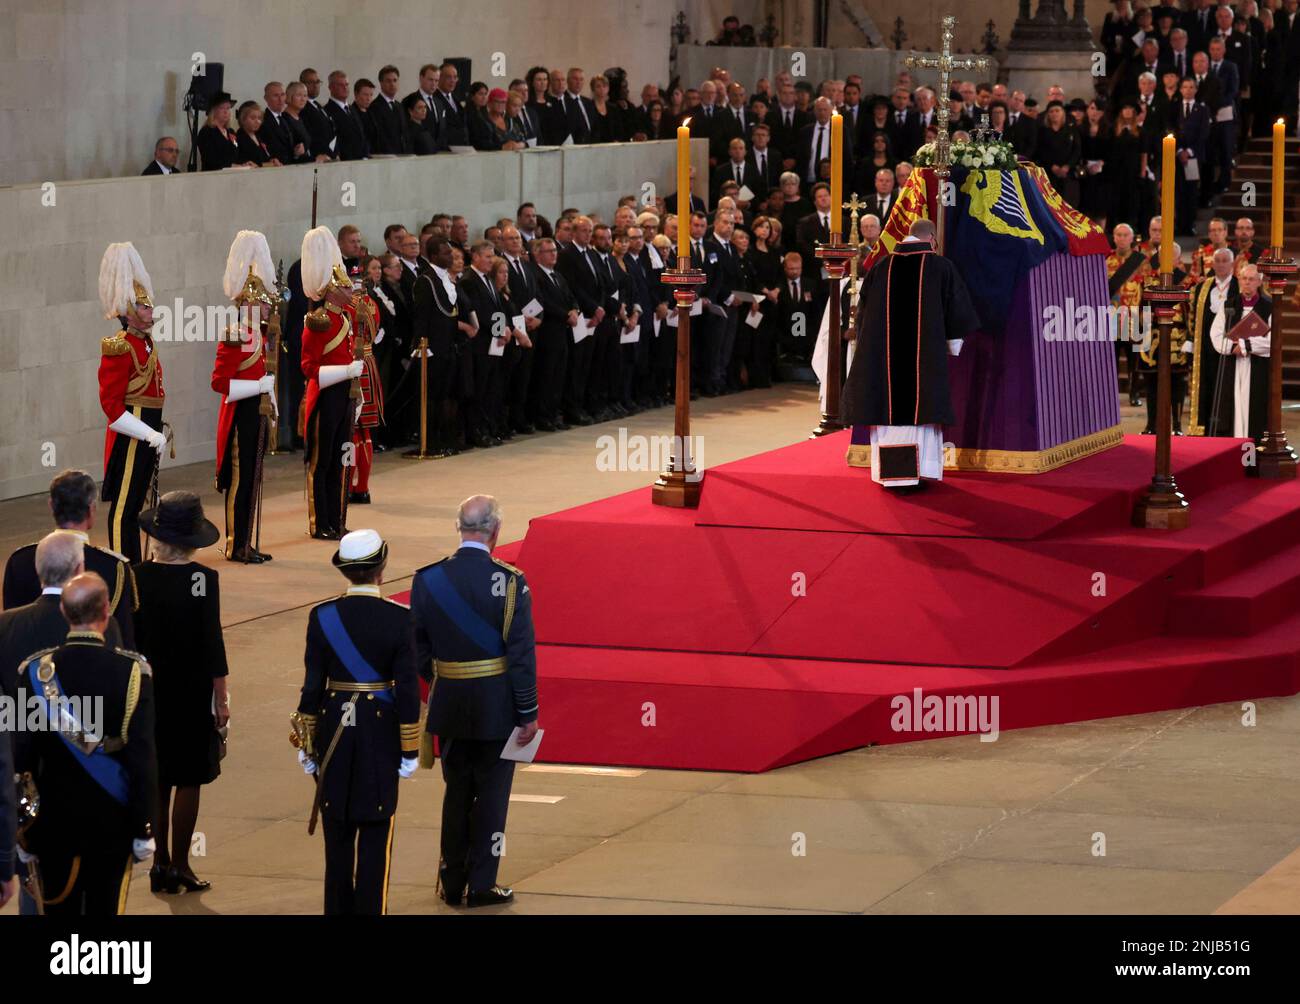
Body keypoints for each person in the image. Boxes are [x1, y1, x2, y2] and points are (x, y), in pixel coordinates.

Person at [410, 496, 539, 908]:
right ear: (496, 531)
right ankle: (482, 883)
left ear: (458, 528)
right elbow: (520, 657)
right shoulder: (511, 582)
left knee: (456, 793)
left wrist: (444, 680)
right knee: (493, 799)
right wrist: (528, 712)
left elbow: (418, 649)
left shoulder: (428, 580)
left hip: (449, 704)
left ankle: (450, 880)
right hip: (495, 708)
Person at [13, 572, 157, 916]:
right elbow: (142, 757)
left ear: (63, 611)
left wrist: (22, 829)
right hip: (112, 822)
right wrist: (143, 826)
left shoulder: (33, 673)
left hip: (52, 823)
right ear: (107, 611)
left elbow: (21, 758)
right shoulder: (133, 673)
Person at [291, 529, 420, 915]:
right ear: (382, 568)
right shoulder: (401, 619)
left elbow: (312, 687)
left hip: (333, 731)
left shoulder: (322, 616)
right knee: (376, 835)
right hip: (380, 735)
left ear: (345, 571)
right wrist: (411, 748)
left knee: (337, 837)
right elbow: (409, 690)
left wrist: (307, 742)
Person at [133, 492, 227, 894]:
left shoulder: (136, 577)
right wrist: (221, 698)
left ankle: (158, 864)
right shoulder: (203, 580)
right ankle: (182, 865)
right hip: (191, 689)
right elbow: (212, 643)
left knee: (157, 775)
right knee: (189, 776)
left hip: (149, 688)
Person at [842, 219, 980, 488]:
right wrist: (953, 343)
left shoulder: (881, 266)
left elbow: (862, 316)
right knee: (920, 412)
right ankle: (919, 473)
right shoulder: (940, 267)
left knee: (888, 409)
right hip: (924, 362)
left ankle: (891, 476)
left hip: (883, 362)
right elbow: (957, 314)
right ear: (932, 240)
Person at [4, 470, 137, 644]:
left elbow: (11, 632)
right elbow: (124, 644)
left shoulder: (19, 561)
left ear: (52, 505)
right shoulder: (114, 568)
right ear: (91, 511)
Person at [97, 243, 168, 563]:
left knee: (137, 503)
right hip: (131, 434)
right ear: (128, 311)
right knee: (124, 508)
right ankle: (120, 566)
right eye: (144, 308)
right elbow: (112, 406)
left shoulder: (146, 343)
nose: (151, 312)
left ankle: (135, 565)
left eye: (150, 307)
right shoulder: (120, 347)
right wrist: (147, 433)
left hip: (148, 430)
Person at [213, 231, 278, 563]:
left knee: (253, 478)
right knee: (240, 481)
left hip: (258, 412)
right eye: (262, 301)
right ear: (249, 303)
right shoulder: (237, 334)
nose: (267, 306)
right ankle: (236, 543)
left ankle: (247, 542)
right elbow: (221, 383)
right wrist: (261, 387)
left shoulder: (260, 336)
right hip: (241, 414)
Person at [299, 226, 364, 540]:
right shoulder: (319, 320)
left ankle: (336, 519)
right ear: (333, 290)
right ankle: (319, 521)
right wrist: (347, 371)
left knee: (340, 459)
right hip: (325, 395)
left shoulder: (344, 317)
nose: (351, 292)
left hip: (344, 395)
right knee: (321, 461)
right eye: (346, 288)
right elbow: (308, 367)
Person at [1201, 263, 1272, 439]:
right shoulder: (1229, 306)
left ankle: (1254, 447)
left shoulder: (1268, 307)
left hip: (1256, 365)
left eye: (1251, 279)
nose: (1247, 282)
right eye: (1244, 278)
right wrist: (1234, 348)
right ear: (1239, 280)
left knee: (1254, 407)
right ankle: (1232, 445)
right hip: (1231, 364)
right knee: (1230, 406)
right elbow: (1215, 335)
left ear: (1259, 282)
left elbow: (1272, 341)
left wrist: (1246, 346)